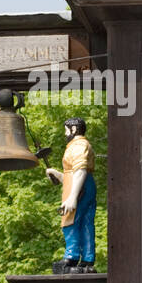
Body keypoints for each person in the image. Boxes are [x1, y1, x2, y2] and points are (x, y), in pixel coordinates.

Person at [45, 116, 96, 273]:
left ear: (73, 130)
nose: (65, 134)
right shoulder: (81, 145)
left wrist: (72, 197)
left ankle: (71, 256)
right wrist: (56, 173)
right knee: (86, 223)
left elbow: (80, 171)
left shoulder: (78, 145)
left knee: (70, 221)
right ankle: (87, 259)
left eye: (66, 131)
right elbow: (71, 175)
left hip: (80, 187)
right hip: (84, 185)